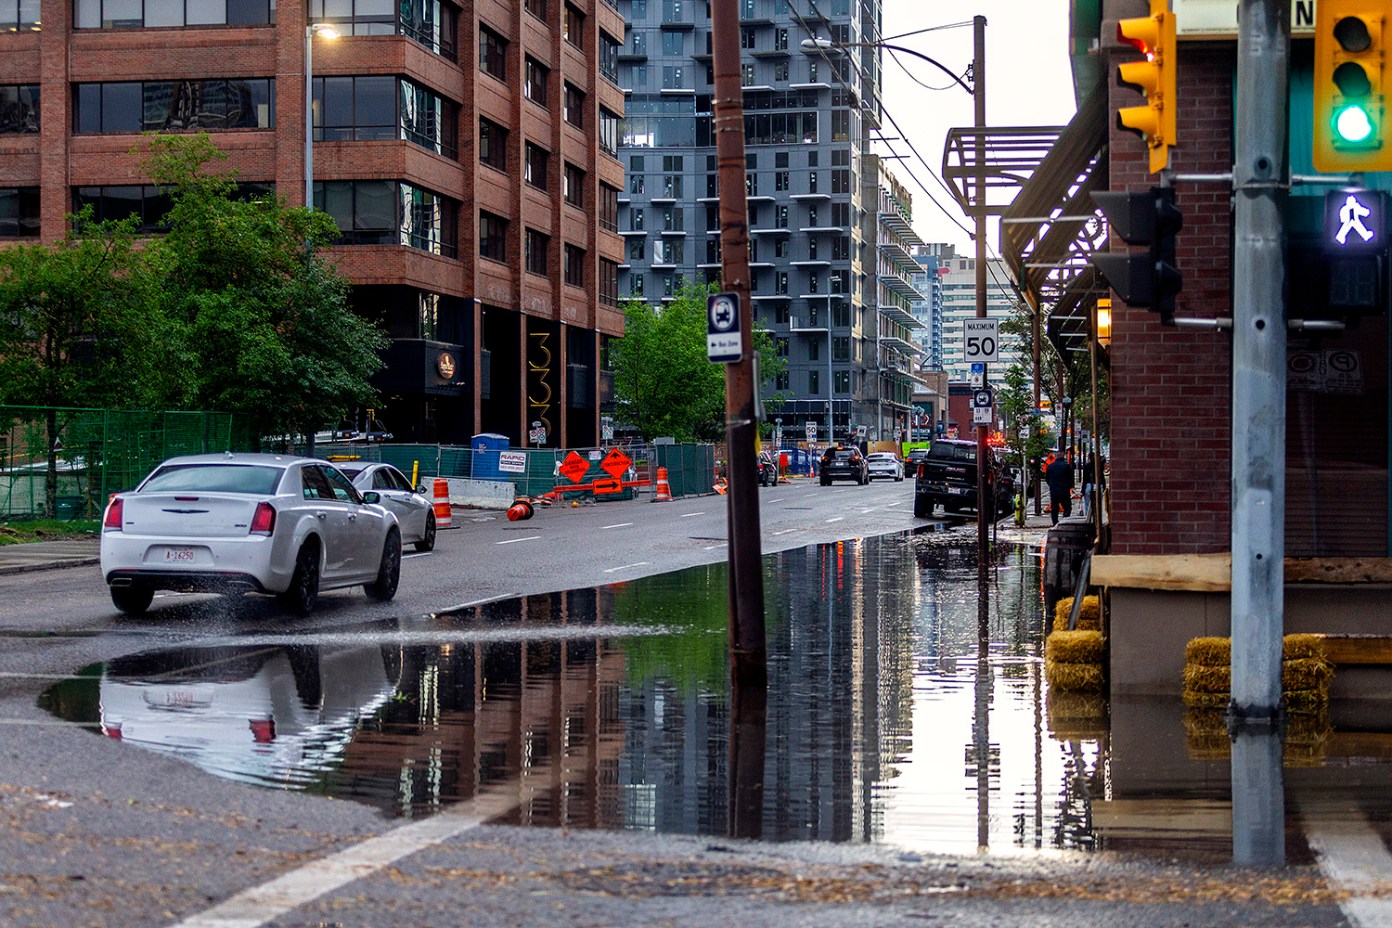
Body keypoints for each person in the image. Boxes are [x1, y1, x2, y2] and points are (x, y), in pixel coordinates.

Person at [1045, 452, 1074, 525]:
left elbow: (1047, 479)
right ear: (1063, 456)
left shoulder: (1050, 466)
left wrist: (1052, 485)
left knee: (1054, 508)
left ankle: (1055, 522)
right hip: (1064, 490)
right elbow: (1071, 478)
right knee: (1067, 507)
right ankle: (1065, 520)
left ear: (1055, 457)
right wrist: (1069, 486)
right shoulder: (1066, 466)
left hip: (1054, 491)